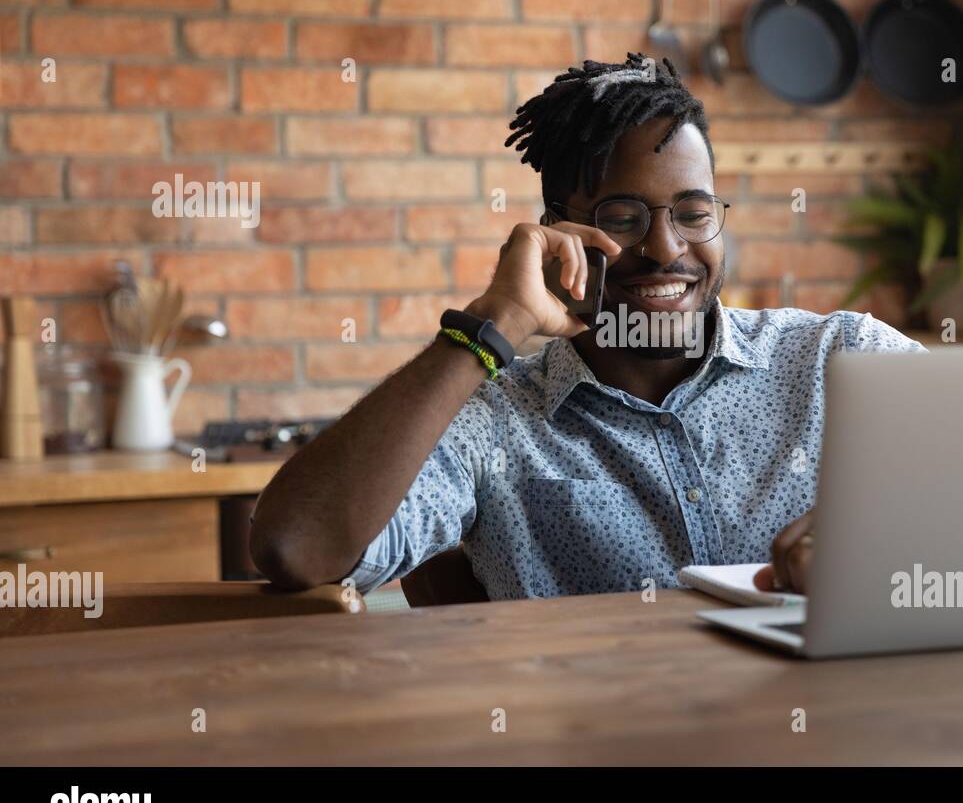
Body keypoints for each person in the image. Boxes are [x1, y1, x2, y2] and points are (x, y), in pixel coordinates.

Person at [249, 53, 924, 600]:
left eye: (692, 213)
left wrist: (883, 542)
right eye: (623, 219)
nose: (665, 249)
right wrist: (492, 322)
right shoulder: (497, 422)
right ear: (557, 236)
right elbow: (294, 548)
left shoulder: (841, 358)